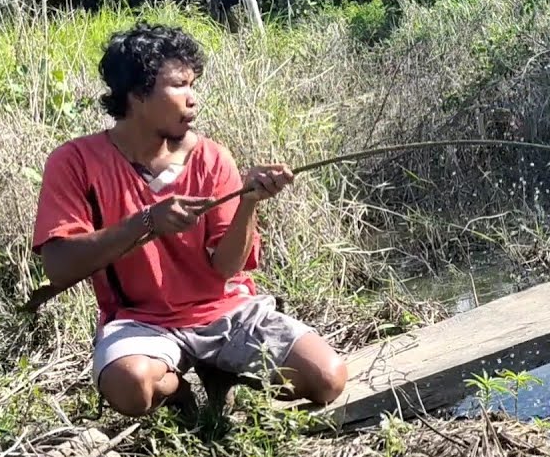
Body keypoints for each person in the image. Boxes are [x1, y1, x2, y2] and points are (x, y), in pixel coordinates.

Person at [32, 21, 347, 418]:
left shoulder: (213, 157)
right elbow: (59, 268)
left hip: (227, 312)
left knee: (327, 378)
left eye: (193, 83)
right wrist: (146, 222)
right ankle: (180, 390)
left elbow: (226, 269)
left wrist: (249, 203)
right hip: (140, 322)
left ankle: (220, 367)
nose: (193, 99)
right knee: (131, 387)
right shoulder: (75, 162)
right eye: (179, 85)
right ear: (137, 94)